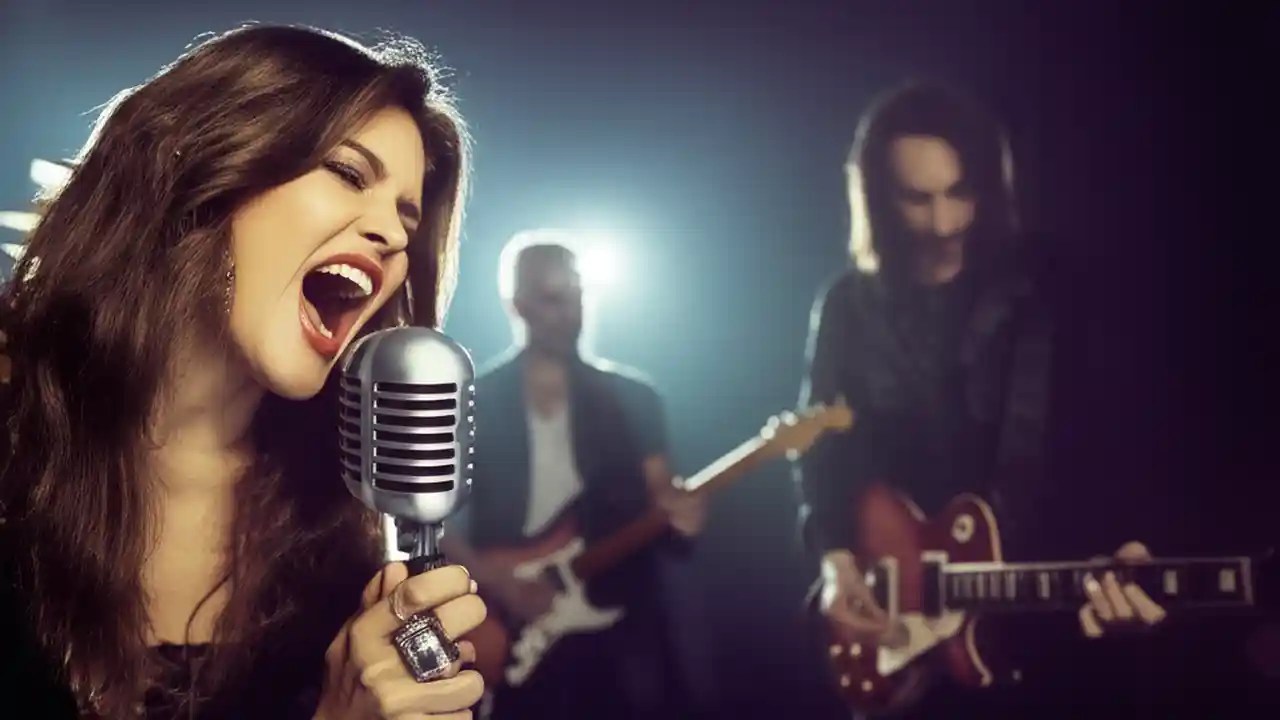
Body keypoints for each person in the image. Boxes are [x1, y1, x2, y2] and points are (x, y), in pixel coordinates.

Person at [0, 25, 490, 719]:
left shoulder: (343, 535)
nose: (392, 235)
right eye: (349, 173)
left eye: (407, 218)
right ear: (200, 171)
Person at [793, 81, 1169, 718]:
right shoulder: (848, 307)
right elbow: (824, 452)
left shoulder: (1054, 285)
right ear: (877, 195)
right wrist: (835, 562)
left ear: (989, 186)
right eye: (917, 200)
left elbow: (1119, 432)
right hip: (912, 639)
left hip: (1048, 628)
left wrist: (1136, 538)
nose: (943, 223)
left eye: (959, 194)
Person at [440, 231, 706, 719]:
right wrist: (499, 584)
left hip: (621, 620)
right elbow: (430, 521)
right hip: (512, 622)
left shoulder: (634, 398)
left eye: (576, 295)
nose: (569, 312)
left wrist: (685, 520)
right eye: (551, 299)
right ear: (517, 305)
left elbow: (662, 500)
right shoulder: (472, 401)